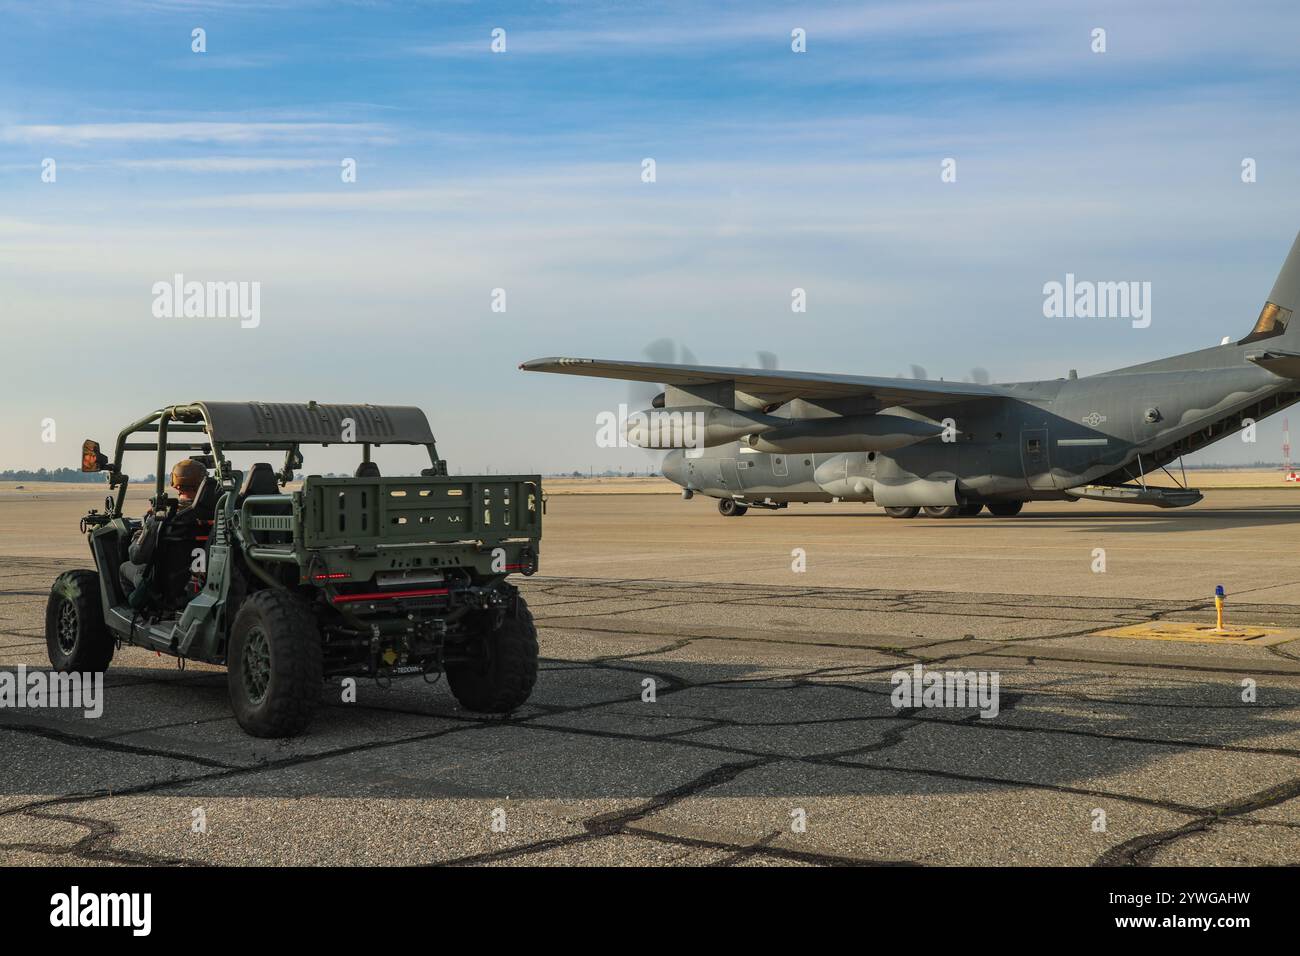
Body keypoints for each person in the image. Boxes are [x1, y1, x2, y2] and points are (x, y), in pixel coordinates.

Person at [119, 459, 208, 599]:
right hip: (204, 584)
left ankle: (141, 611)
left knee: (124, 567)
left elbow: (137, 556)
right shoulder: (219, 513)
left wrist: (139, 534)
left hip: (167, 588)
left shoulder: (163, 516)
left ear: (176, 484)